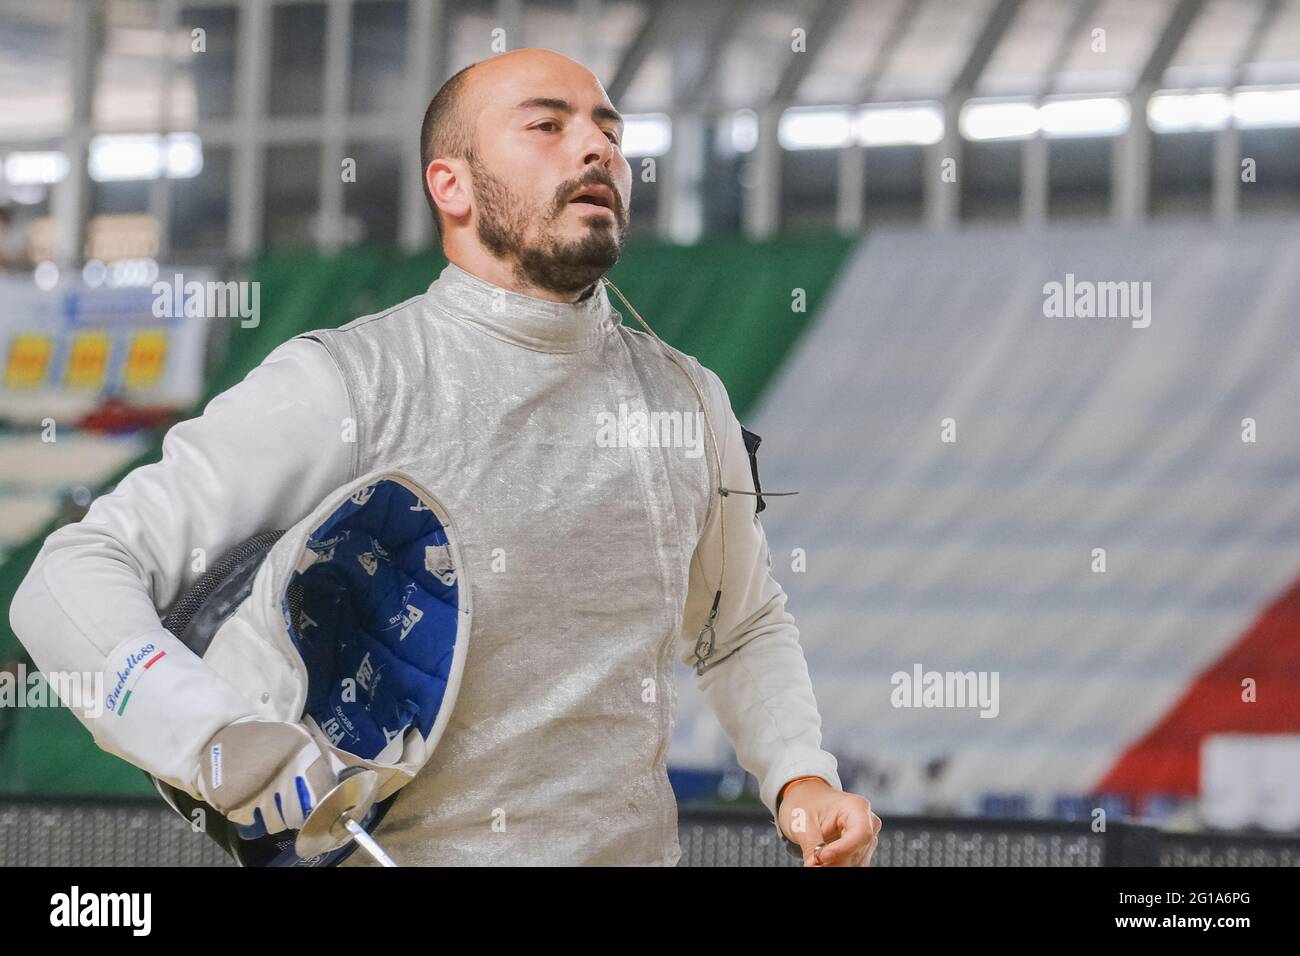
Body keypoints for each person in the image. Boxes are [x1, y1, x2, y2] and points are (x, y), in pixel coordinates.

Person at [9, 47, 879, 866]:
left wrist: (800, 775)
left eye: (610, 132)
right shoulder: (349, 383)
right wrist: (205, 734)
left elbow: (739, 625)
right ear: (451, 186)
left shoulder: (689, 401)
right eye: (548, 125)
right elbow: (70, 576)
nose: (597, 147)